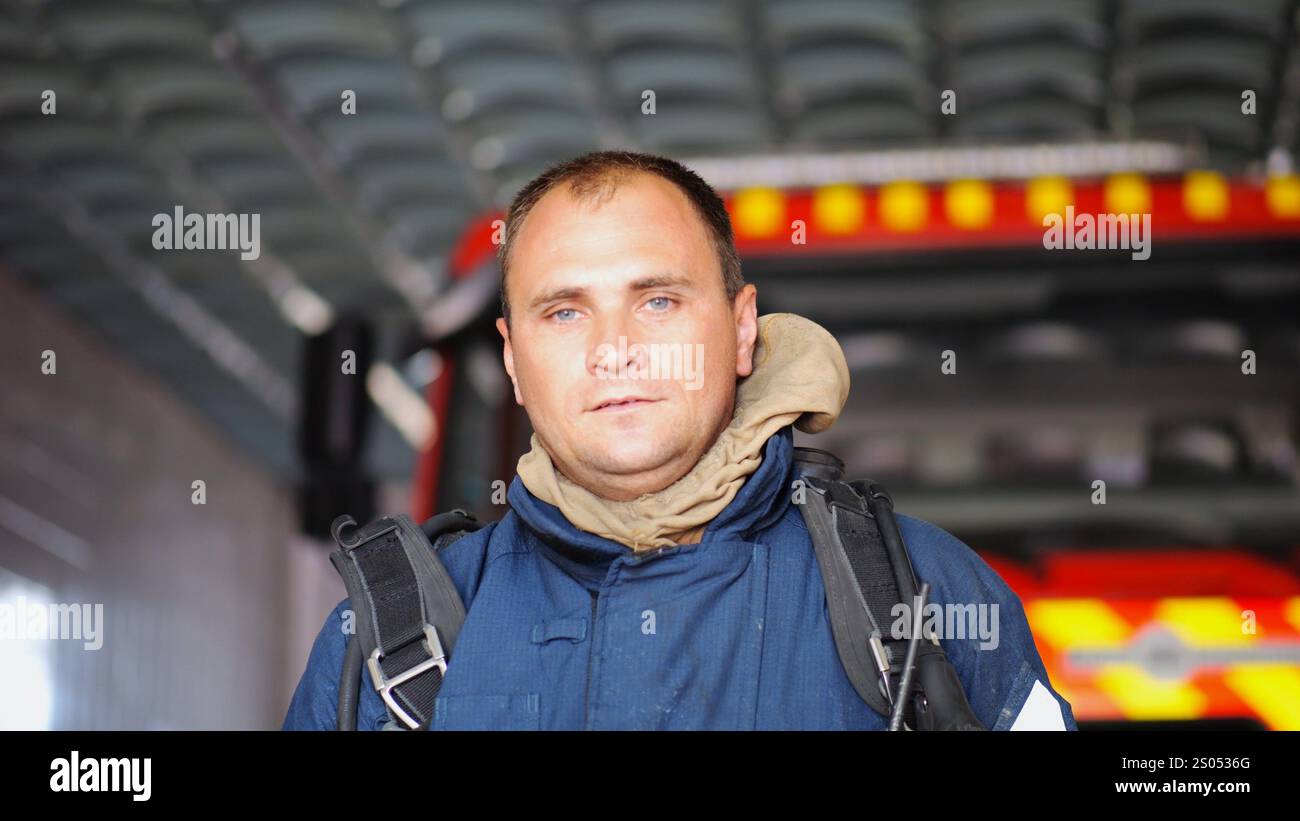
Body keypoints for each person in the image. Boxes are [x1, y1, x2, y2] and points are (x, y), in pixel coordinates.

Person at [283, 150, 1077, 730]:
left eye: (657, 301)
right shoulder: (377, 645)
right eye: (565, 311)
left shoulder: (926, 596)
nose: (614, 347)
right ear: (513, 361)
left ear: (740, 331)